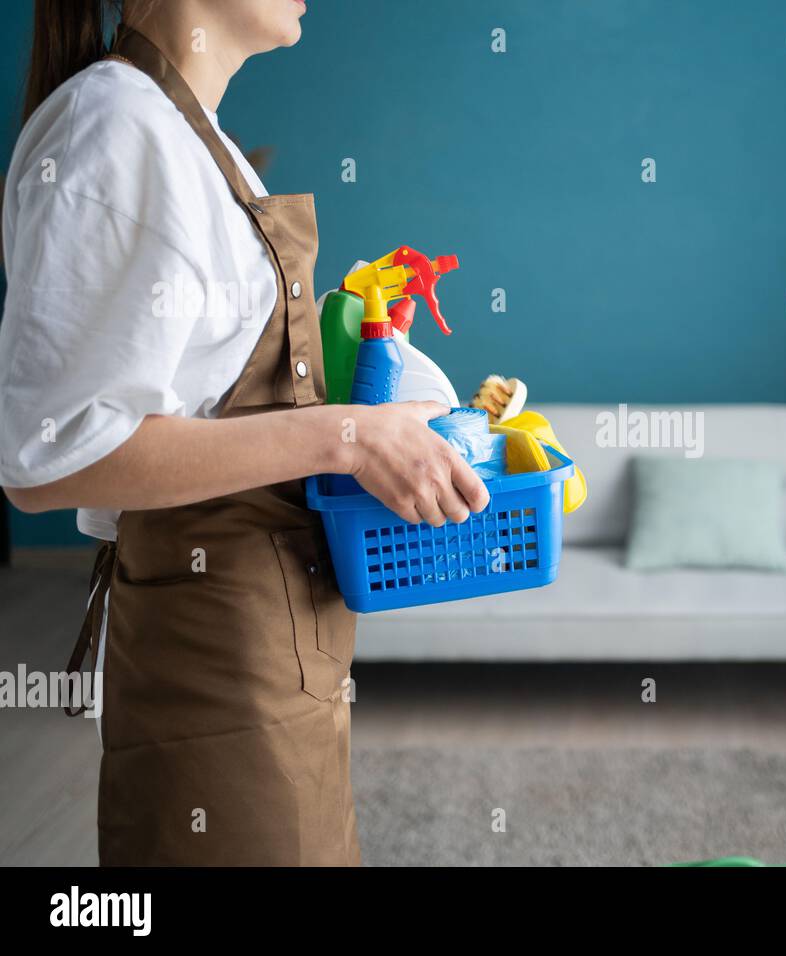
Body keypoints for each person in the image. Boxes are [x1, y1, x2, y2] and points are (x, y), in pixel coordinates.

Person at [0, 0, 489, 864]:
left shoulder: (200, 143)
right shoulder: (113, 127)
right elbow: (47, 459)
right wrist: (346, 438)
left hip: (281, 653)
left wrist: (374, 396)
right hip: (214, 673)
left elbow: (208, 394)